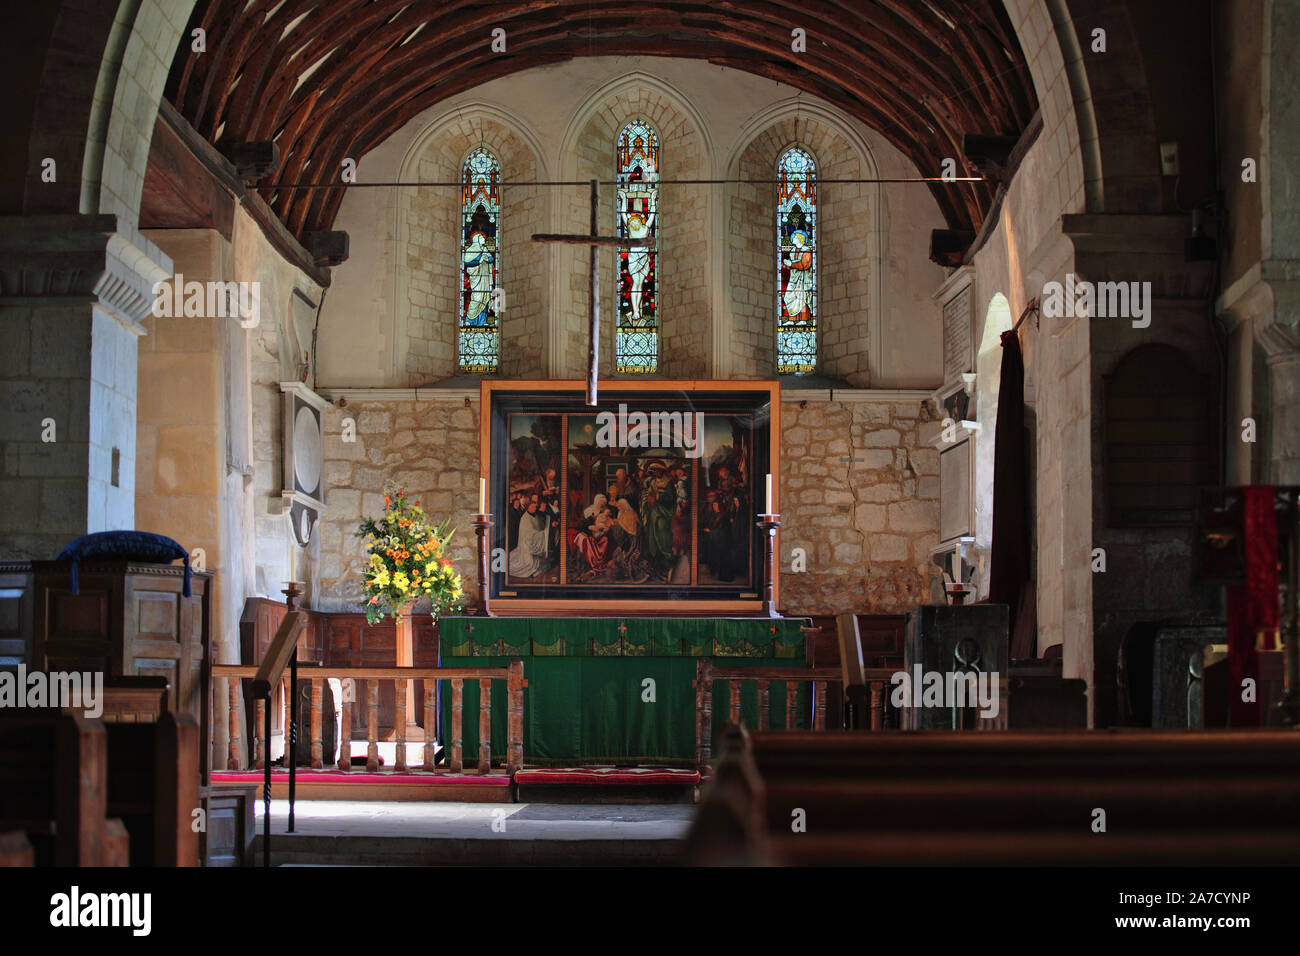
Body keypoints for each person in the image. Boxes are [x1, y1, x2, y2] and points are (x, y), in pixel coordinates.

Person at [508, 495, 552, 578]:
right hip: (526, 546)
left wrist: (544, 531)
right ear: (528, 508)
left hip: (534, 543)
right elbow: (529, 535)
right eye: (533, 507)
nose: (535, 509)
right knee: (529, 563)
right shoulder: (525, 518)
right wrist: (543, 533)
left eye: (535, 507)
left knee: (544, 563)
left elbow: (540, 527)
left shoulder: (536, 516)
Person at [462, 231, 495, 326]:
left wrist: (487, 259)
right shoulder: (470, 250)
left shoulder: (484, 249)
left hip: (485, 279)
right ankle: (469, 319)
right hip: (476, 279)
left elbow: (491, 259)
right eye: (482, 238)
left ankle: (483, 321)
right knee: (476, 298)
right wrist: (479, 261)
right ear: (477, 239)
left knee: (484, 298)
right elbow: (466, 262)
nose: (484, 239)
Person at [781, 230, 814, 324]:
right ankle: (792, 319)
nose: (793, 239)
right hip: (794, 278)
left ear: (800, 239)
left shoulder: (807, 250)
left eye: (794, 237)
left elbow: (805, 264)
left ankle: (803, 320)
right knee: (790, 296)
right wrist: (787, 265)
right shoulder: (793, 250)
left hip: (803, 279)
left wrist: (791, 264)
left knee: (801, 298)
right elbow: (792, 265)